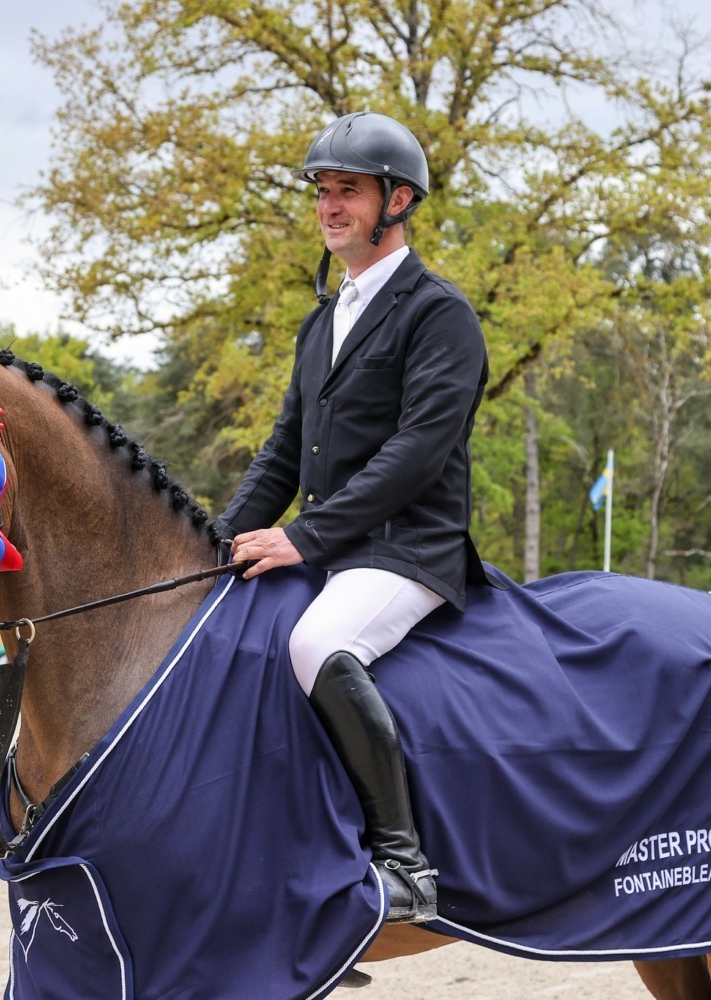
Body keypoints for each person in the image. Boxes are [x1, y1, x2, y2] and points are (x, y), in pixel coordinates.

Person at [217, 112, 489, 924]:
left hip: (407, 549)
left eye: (349, 191)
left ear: (397, 201)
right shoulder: (323, 319)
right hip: (338, 550)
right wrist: (213, 541)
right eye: (322, 192)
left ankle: (406, 863)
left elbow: (417, 452)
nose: (330, 207)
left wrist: (303, 536)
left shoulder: (439, 313)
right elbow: (283, 451)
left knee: (316, 643)